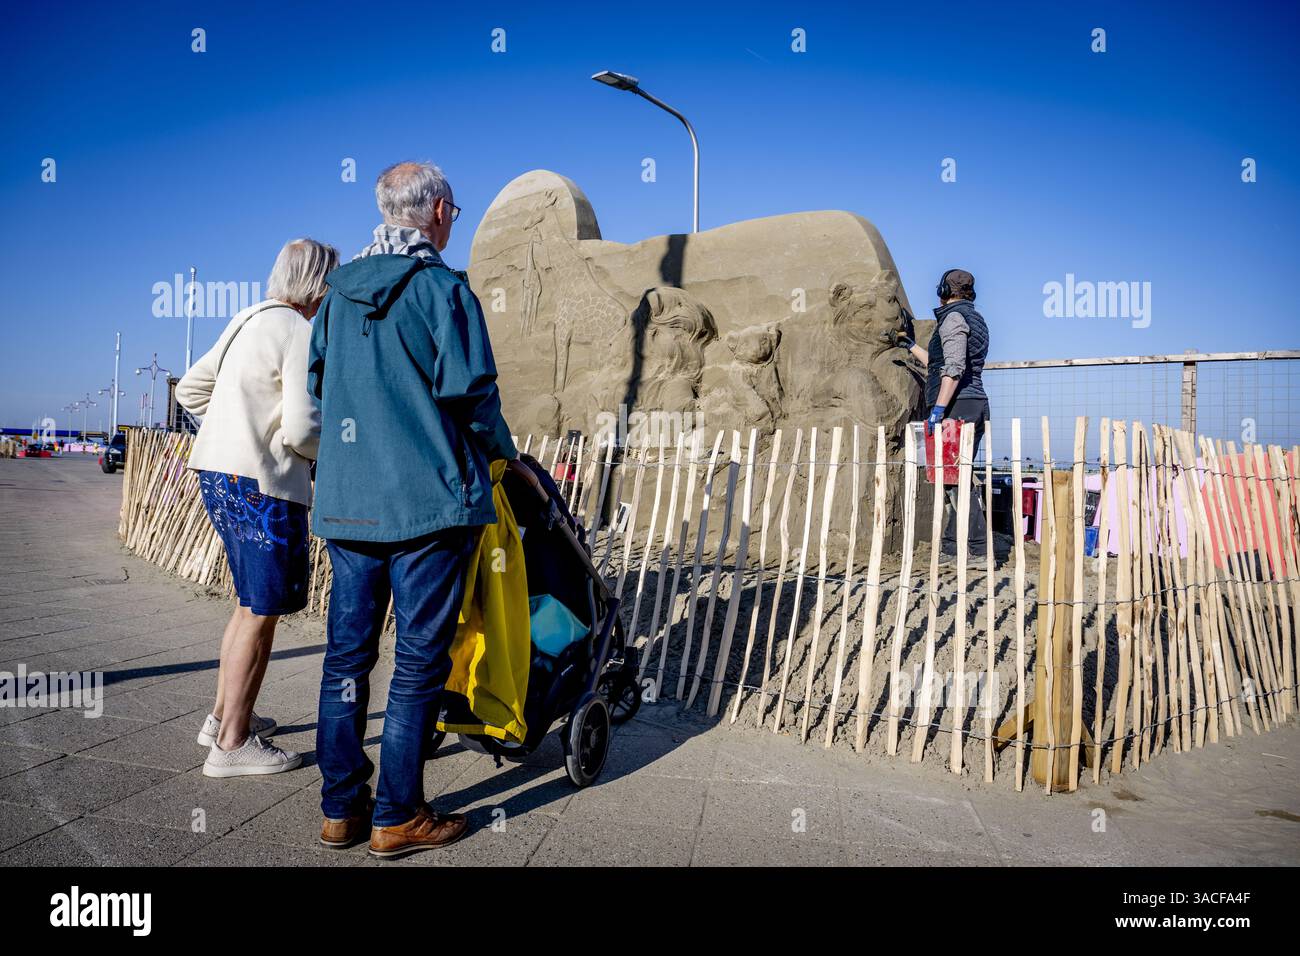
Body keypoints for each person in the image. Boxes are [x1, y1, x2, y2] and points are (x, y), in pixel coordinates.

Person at [309, 161, 517, 859]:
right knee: (418, 662)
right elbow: (473, 395)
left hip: (348, 506)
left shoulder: (336, 296)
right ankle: (398, 815)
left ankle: (342, 810)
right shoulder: (440, 291)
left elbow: (316, 383)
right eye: (453, 210)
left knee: (346, 656)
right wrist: (507, 458)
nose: (453, 221)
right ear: (433, 213)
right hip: (427, 505)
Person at [175, 238, 338, 776]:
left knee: (248, 603)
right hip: (262, 484)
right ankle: (233, 744)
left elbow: (190, 391)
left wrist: (233, 421)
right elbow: (301, 426)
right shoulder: (298, 330)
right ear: (319, 283)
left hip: (217, 472)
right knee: (263, 610)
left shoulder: (248, 317)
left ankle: (222, 717)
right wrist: (330, 452)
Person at [894, 268, 991, 561]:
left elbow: (954, 367)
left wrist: (938, 408)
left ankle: (977, 549)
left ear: (944, 290)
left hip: (958, 405)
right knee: (954, 476)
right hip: (971, 402)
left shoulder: (953, 319)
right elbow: (939, 362)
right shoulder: (974, 318)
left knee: (955, 478)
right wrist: (911, 347)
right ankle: (951, 543)